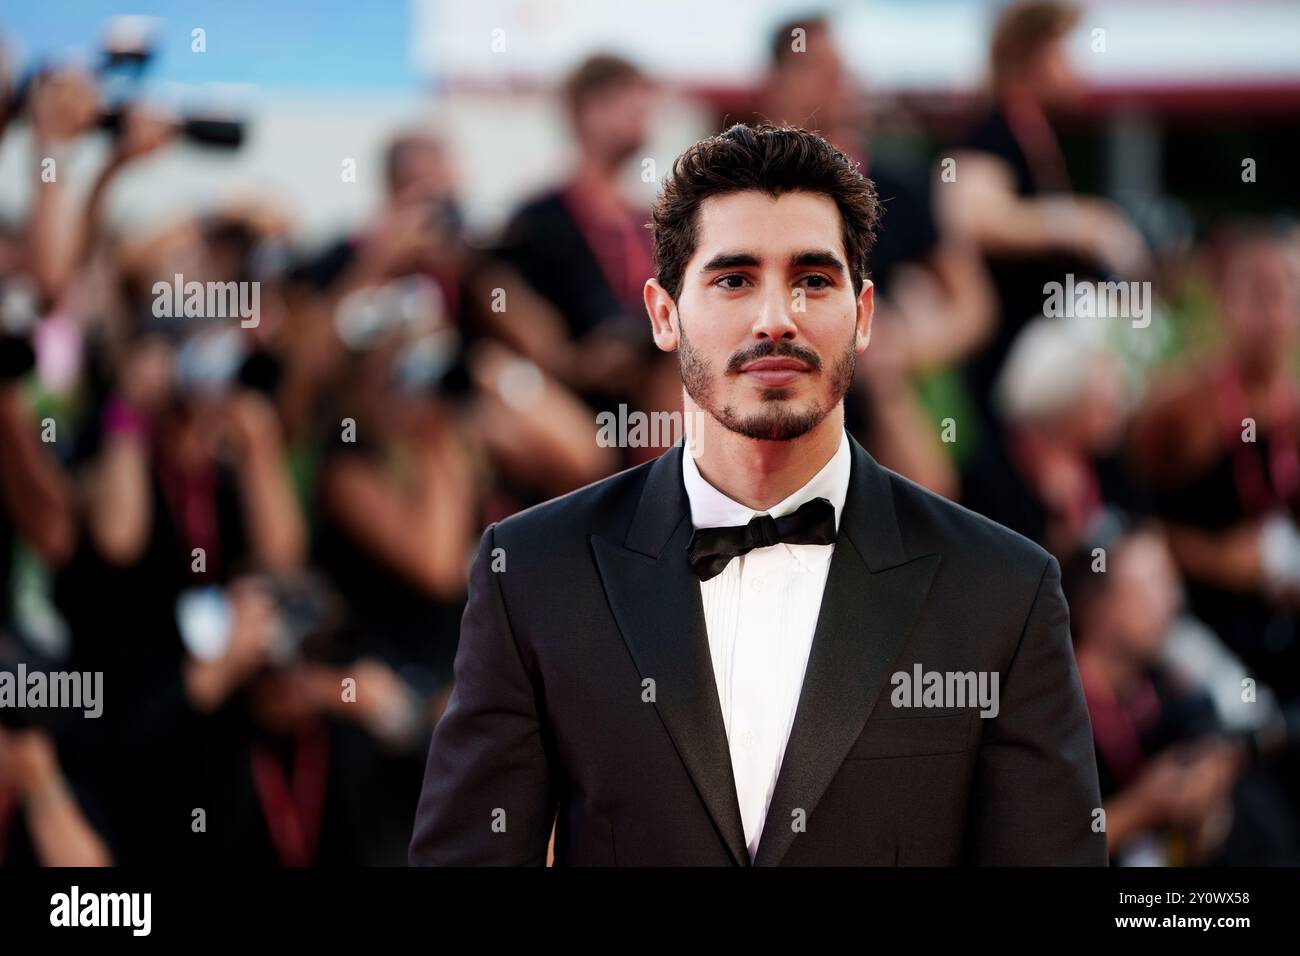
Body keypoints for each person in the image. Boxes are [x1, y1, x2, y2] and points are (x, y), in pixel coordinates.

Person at [409, 124, 1105, 866]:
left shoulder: (1001, 591)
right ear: (664, 314)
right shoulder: (537, 573)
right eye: (734, 279)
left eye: (813, 279)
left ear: (863, 315)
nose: (776, 317)